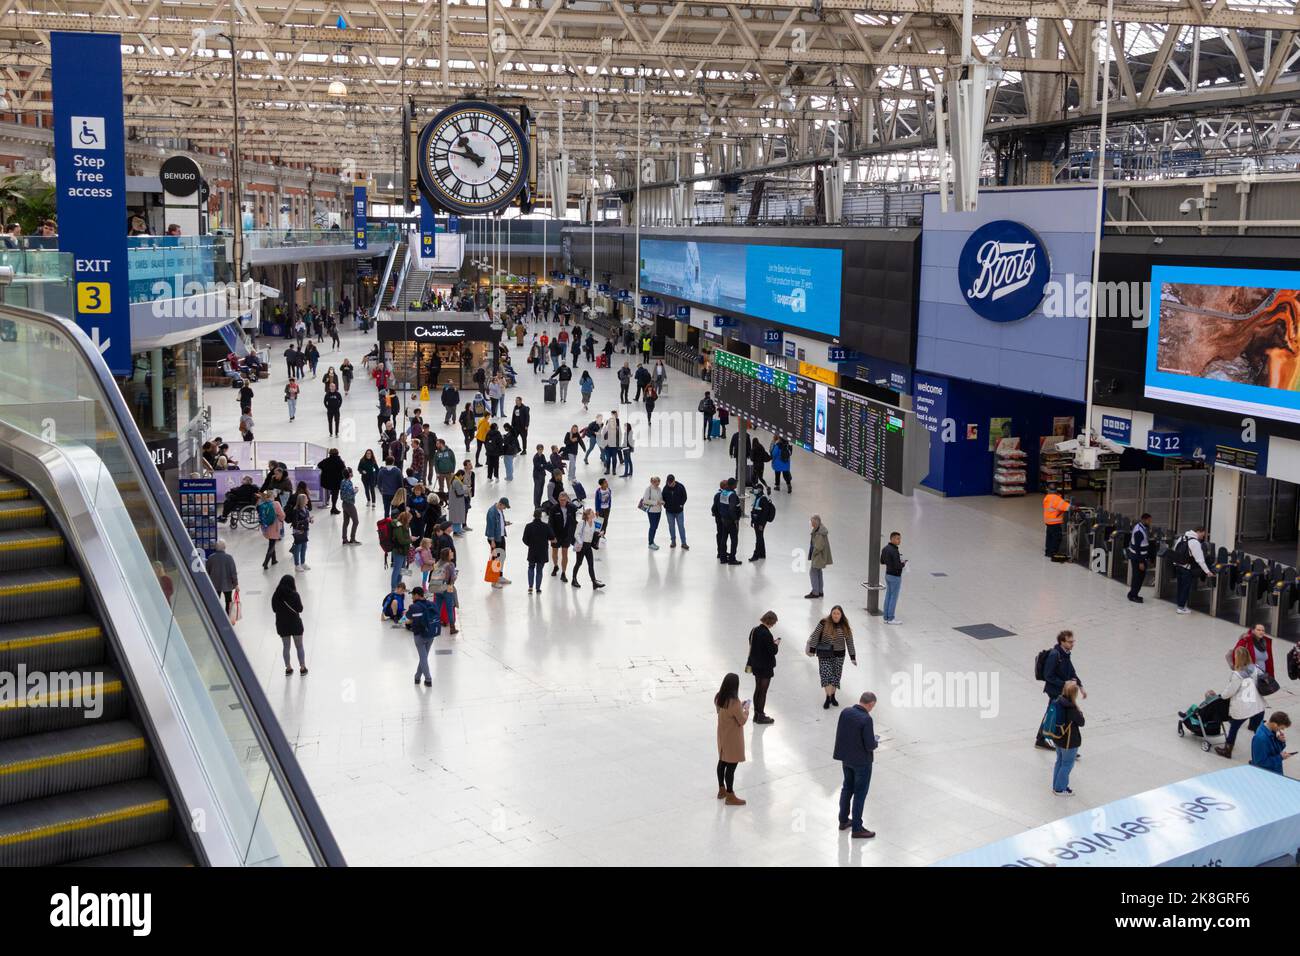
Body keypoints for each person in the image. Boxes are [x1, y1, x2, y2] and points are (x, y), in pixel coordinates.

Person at [833, 691, 878, 838]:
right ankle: (857, 828)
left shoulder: (846, 712)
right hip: (862, 763)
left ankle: (843, 820)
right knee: (860, 793)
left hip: (846, 759)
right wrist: (875, 741)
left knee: (847, 788)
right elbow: (870, 745)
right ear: (870, 704)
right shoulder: (866, 719)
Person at [1036, 630, 1086, 750]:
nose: (1072, 644)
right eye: (1069, 642)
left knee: (1052, 713)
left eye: (1073, 641)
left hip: (1062, 690)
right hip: (1055, 691)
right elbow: (1048, 676)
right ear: (1062, 642)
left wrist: (1081, 686)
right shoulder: (1055, 655)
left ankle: (1043, 739)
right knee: (1055, 714)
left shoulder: (1066, 654)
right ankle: (1053, 741)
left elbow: (1072, 672)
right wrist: (1065, 683)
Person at [1215, 646, 1266, 759]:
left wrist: (1221, 696)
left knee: (1234, 728)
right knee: (1259, 731)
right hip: (1258, 705)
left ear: (1238, 658)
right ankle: (1263, 752)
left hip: (1243, 707)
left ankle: (1227, 751)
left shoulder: (1237, 675)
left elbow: (1229, 692)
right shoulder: (1255, 669)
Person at [807, 605, 856, 709]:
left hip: (839, 655)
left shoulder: (844, 626)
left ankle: (833, 696)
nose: (836, 615)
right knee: (826, 675)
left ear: (841, 615)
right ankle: (828, 697)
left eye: (838, 613)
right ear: (831, 613)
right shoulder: (824, 622)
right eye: (834, 613)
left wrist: (853, 657)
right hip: (825, 654)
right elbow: (815, 635)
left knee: (835, 677)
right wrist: (811, 650)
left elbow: (849, 641)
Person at [714, 673, 749, 807]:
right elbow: (742, 720)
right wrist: (745, 710)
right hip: (733, 738)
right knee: (731, 766)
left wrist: (740, 706)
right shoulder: (734, 702)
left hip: (722, 735)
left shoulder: (719, 698)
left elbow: (723, 712)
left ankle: (721, 789)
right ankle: (730, 795)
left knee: (722, 761)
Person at [1048, 681, 1084, 795]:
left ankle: (1056, 786)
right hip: (1069, 741)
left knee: (1059, 761)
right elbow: (1081, 722)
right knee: (1067, 764)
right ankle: (1060, 789)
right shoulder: (1072, 708)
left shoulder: (1057, 701)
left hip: (1058, 738)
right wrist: (1080, 713)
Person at [745, 611, 779, 725]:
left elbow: (752, 644)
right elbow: (772, 651)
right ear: (771, 621)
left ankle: (756, 714)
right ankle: (761, 715)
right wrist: (776, 644)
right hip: (765, 667)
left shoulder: (754, 630)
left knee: (758, 689)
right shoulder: (767, 634)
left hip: (756, 665)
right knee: (763, 691)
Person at [271, 574, 307, 676]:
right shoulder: (295, 595)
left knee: (286, 647)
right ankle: (303, 667)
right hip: (295, 624)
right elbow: (300, 609)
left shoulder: (276, 595)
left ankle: (288, 668)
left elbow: (274, 609)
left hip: (282, 625)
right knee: (299, 646)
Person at [1172, 526, 1211, 614]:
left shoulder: (1181, 538)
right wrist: (1207, 571)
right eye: (1203, 534)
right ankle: (1181, 608)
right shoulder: (1195, 542)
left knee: (1180, 586)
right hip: (1187, 568)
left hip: (1178, 566)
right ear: (1199, 532)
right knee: (1185, 588)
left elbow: (1175, 551)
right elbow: (1200, 559)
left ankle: (1179, 604)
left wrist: (1175, 564)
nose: (1203, 537)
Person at [406, 586, 439, 687]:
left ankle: (428, 679)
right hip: (431, 634)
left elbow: (408, 618)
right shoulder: (432, 604)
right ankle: (417, 677)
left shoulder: (413, 607)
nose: (412, 597)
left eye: (412, 595)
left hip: (419, 636)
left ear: (416, 595)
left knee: (423, 658)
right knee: (423, 657)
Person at [547, 492, 579, 581]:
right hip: (556, 535)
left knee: (565, 553)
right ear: (558, 499)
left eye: (564, 500)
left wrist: (573, 534)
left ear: (567, 500)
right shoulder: (553, 509)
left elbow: (574, 521)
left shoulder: (572, 508)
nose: (562, 502)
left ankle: (563, 573)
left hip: (567, 535)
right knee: (554, 552)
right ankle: (555, 566)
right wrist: (552, 536)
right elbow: (550, 523)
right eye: (561, 500)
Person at [522, 508, 554, 594]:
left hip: (532, 550)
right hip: (542, 551)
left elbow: (524, 539)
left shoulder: (528, 526)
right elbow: (552, 537)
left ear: (533, 515)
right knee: (539, 570)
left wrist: (530, 544)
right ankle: (538, 588)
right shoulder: (546, 526)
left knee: (531, 567)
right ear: (541, 516)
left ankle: (530, 586)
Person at [572, 508, 604, 589]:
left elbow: (593, 534)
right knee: (579, 563)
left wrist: (599, 533)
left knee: (591, 564)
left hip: (588, 546)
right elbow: (576, 534)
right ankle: (574, 579)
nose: (594, 513)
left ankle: (594, 582)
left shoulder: (593, 523)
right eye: (592, 512)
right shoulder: (582, 523)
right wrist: (580, 542)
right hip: (582, 545)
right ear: (588, 515)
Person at [711, 479, 741, 565]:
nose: (736, 486)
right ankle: (732, 559)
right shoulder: (732, 495)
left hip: (723, 519)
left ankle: (723, 557)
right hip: (731, 521)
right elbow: (732, 508)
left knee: (724, 538)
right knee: (734, 540)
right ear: (732, 485)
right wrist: (735, 519)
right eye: (735, 484)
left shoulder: (723, 493)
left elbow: (720, 506)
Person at [485, 497, 512, 588]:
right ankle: (494, 581)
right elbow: (490, 527)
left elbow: (499, 522)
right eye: (504, 507)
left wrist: (505, 523)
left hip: (501, 537)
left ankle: (499, 576)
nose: (505, 509)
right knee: (495, 559)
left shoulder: (500, 510)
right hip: (494, 539)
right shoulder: (492, 512)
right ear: (500, 504)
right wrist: (492, 541)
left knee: (502, 557)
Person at [206, 540, 239, 615]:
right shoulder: (229, 558)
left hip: (215, 584)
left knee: (216, 601)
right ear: (224, 547)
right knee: (228, 601)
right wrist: (236, 584)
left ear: (216, 548)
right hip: (227, 584)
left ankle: (216, 615)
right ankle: (228, 616)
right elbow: (233, 572)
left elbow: (207, 571)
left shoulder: (211, 558)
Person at [880, 531, 906, 624]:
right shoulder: (894, 550)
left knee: (888, 596)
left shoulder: (885, 549)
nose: (899, 541)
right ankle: (891, 618)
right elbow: (897, 566)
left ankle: (886, 617)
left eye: (900, 539)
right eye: (898, 538)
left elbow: (882, 561)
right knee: (893, 597)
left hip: (888, 575)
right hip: (895, 576)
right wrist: (903, 564)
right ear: (892, 539)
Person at [285, 492, 312, 572]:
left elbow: (306, 519)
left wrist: (310, 520)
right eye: (306, 499)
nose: (308, 500)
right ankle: (297, 565)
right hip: (298, 531)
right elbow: (295, 523)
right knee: (298, 548)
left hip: (305, 530)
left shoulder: (306, 509)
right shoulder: (296, 510)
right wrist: (306, 520)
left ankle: (303, 563)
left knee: (304, 547)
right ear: (302, 500)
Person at [806, 514, 831, 598]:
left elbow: (819, 546)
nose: (811, 524)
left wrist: (813, 553)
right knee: (818, 572)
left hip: (818, 556)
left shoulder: (819, 533)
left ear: (817, 522)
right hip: (819, 556)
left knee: (813, 572)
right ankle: (820, 591)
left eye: (812, 522)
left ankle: (815, 592)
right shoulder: (818, 530)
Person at [748, 485, 775, 562]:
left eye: (756, 489)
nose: (754, 490)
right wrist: (752, 520)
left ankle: (756, 555)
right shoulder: (758, 497)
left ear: (760, 490)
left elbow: (764, 514)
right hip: (757, 521)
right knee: (760, 537)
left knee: (759, 538)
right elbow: (755, 510)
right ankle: (762, 554)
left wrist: (761, 525)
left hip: (760, 522)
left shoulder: (763, 499)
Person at [1042, 489, 1071, 558]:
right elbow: (1067, 507)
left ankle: (1048, 552)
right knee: (1057, 537)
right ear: (1056, 491)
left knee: (1049, 537)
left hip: (1048, 521)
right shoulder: (1056, 498)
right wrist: (1075, 508)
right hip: (1055, 522)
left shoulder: (1047, 497)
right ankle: (1053, 553)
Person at [317, 448, 346, 515]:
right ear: (337, 453)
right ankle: (333, 507)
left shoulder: (327, 460)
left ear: (330, 454)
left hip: (327, 481)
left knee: (329, 492)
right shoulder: (339, 461)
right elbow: (344, 469)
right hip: (336, 481)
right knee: (335, 495)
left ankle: (330, 505)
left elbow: (319, 465)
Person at [640, 476, 664, 550]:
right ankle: (650, 543)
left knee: (655, 527)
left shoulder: (659, 489)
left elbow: (660, 498)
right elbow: (645, 500)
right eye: (656, 482)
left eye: (658, 481)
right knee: (653, 527)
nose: (658, 483)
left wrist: (662, 502)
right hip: (652, 511)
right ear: (652, 482)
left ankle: (652, 542)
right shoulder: (648, 489)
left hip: (659, 511)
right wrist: (656, 502)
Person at [339, 468, 360, 544]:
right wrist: (355, 491)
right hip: (349, 504)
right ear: (349, 474)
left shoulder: (343, 481)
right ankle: (352, 539)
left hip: (344, 504)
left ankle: (344, 539)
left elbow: (343, 494)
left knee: (346, 522)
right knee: (356, 521)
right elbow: (349, 495)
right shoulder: (348, 483)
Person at [531, 443, 549, 509]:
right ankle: (536, 505)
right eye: (539, 449)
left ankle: (539, 504)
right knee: (537, 491)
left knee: (541, 490)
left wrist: (543, 465)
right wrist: (543, 465)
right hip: (537, 476)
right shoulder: (535, 457)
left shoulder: (543, 456)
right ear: (537, 449)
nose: (540, 450)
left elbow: (544, 464)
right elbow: (538, 466)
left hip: (542, 475)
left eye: (541, 449)